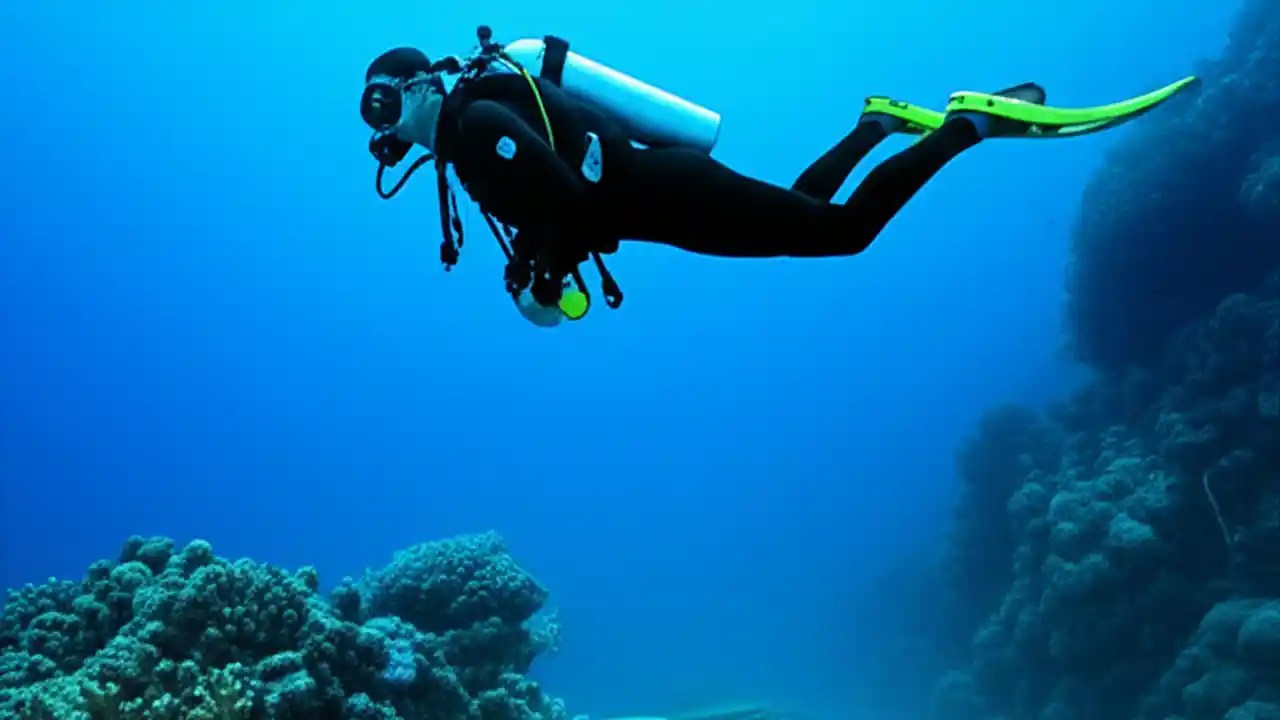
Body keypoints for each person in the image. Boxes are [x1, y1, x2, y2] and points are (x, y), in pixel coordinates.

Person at [359, 29, 1198, 325]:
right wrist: (541, 257)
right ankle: (873, 122)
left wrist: (543, 265)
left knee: (843, 235)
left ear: (422, 86)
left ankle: (973, 124)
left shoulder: (472, 123)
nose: (383, 129)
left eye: (383, 105)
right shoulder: (470, 128)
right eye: (373, 119)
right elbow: (557, 197)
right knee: (807, 212)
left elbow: (567, 197)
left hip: (663, 193)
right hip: (662, 191)